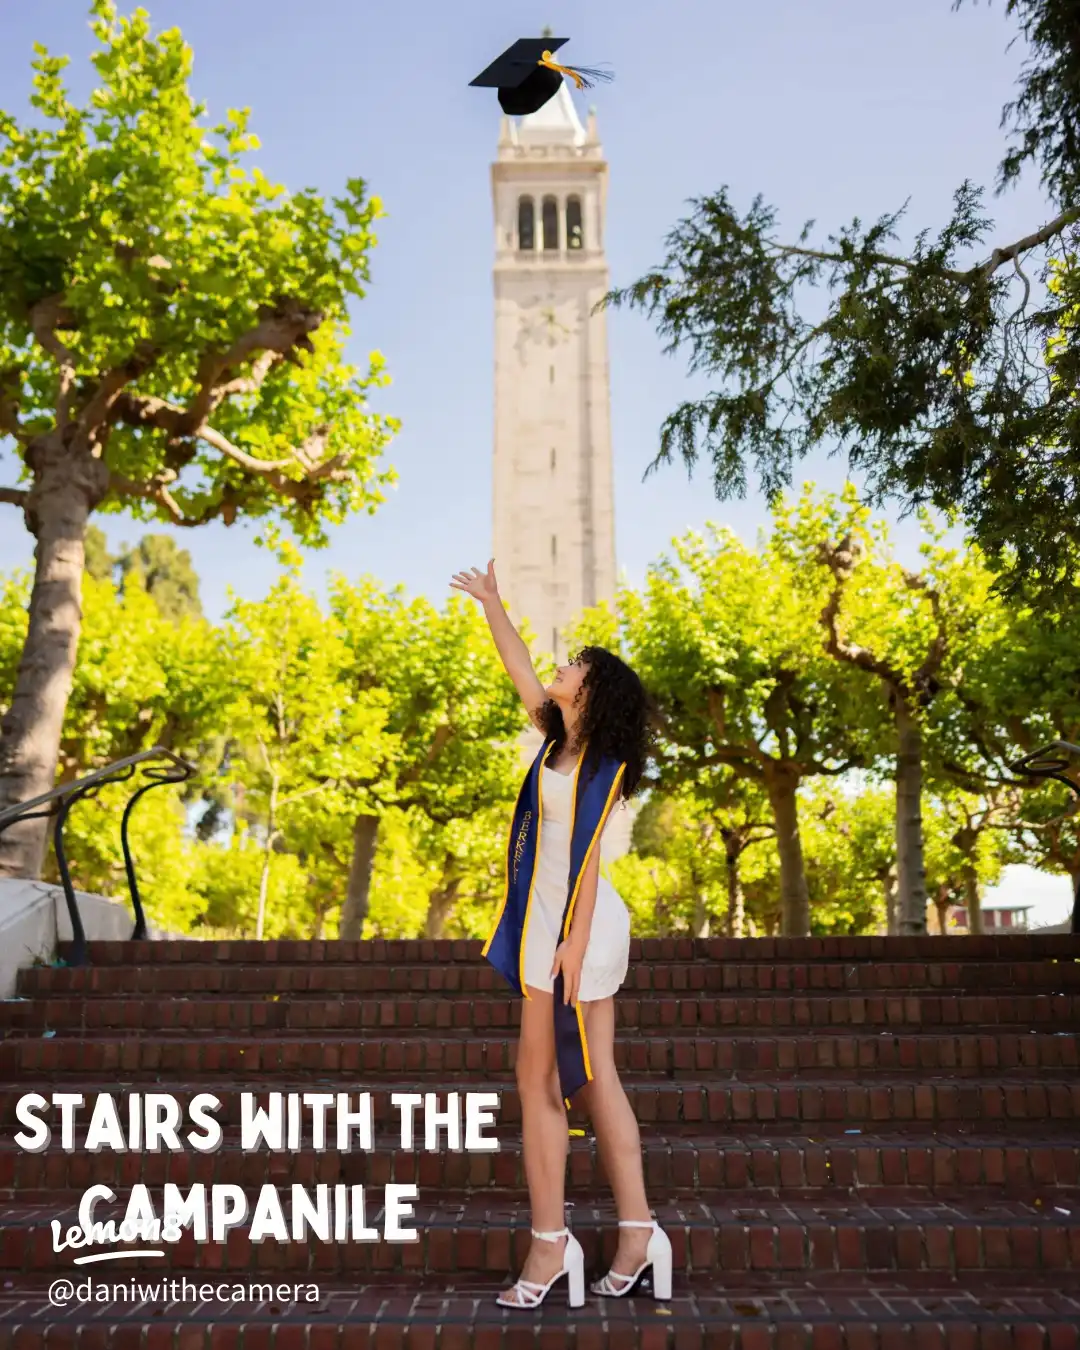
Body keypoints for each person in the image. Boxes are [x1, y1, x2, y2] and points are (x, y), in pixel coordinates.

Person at [449, 559, 672, 1310]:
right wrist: (492, 605)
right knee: (575, 1078)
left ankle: (560, 1243)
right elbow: (519, 667)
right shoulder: (555, 744)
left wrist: (572, 944)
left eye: (573, 664)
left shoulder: (603, 763)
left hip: (578, 924)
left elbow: (587, 857)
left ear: (593, 690)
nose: (560, 665)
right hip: (549, 920)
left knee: (552, 1079)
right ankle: (626, 1232)